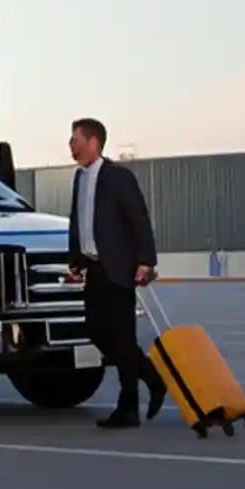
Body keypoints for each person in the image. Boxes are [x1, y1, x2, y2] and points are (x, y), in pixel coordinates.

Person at [66, 118, 167, 428]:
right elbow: (78, 221)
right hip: (93, 268)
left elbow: (139, 219)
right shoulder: (79, 178)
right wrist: (75, 259)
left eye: (75, 139)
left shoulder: (119, 177)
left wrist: (146, 261)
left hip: (118, 268)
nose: (71, 144)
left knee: (123, 337)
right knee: (98, 333)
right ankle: (152, 377)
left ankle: (128, 407)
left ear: (93, 142)